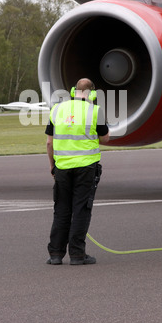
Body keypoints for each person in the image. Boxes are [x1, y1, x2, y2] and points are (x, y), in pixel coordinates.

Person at [45, 78, 109, 265]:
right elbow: (105, 138)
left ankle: (55, 254)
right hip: (86, 167)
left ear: (73, 91)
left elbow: (49, 142)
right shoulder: (95, 111)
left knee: (61, 210)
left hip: (62, 168)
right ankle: (77, 254)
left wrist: (52, 165)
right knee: (81, 209)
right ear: (92, 94)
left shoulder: (57, 109)